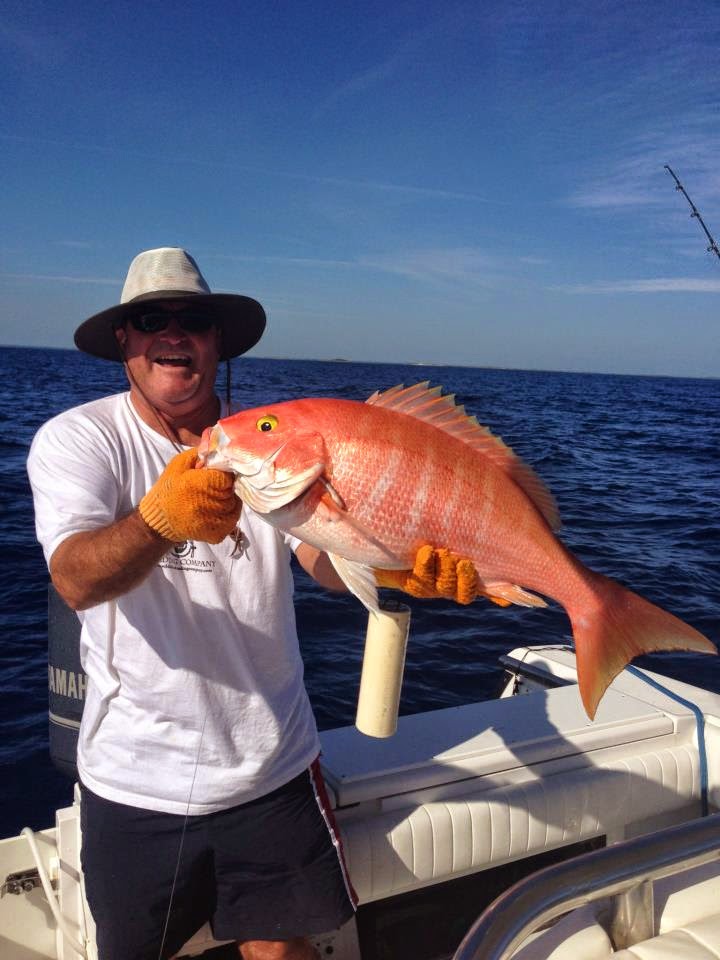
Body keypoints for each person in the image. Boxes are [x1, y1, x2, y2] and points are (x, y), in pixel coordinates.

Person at [27, 247, 479, 960]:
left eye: (195, 320)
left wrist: (396, 570)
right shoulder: (80, 439)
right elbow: (76, 579)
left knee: (284, 950)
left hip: (274, 766)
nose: (174, 334)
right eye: (152, 318)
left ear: (217, 341)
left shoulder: (269, 440)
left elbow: (322, 558)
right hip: (134, 778)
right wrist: (158, 519)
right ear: (125, 338)